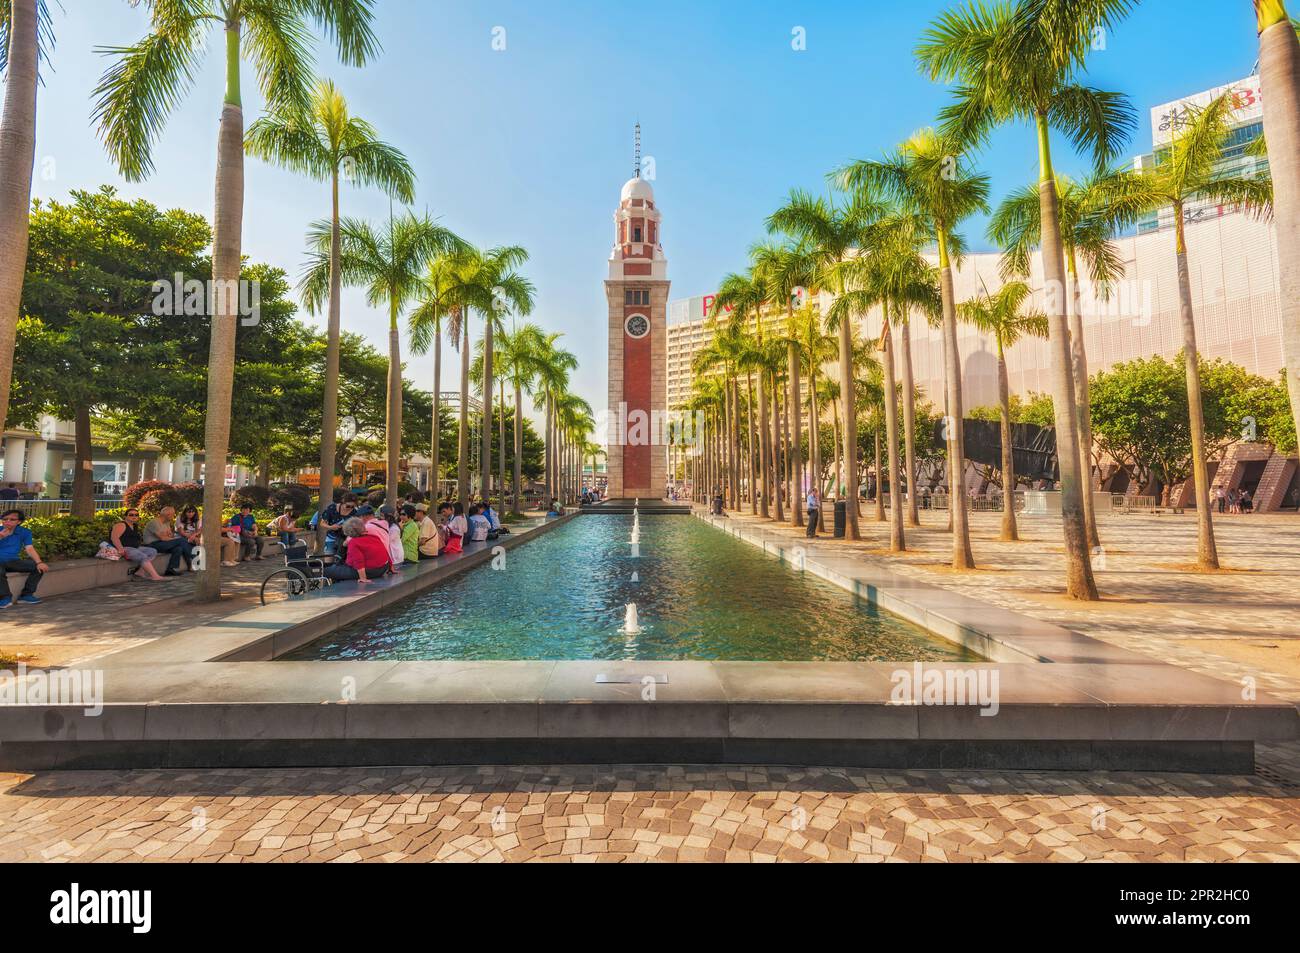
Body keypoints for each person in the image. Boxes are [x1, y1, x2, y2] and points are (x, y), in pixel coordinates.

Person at [0, 509, 49, 607]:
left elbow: (29, 548)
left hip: (12, 561)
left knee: (37, 567)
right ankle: (5, 598)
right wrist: (1, 536)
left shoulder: (24, 532)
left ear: (19, 521)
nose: (7, 521)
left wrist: (39, 562)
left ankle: (26, 595)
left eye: (12, 519)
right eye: (5, 519)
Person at [323, 517, 391, 583]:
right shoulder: (373, 537)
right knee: (336, 567)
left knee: (325, 571)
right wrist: (391, 567)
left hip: (370, 572)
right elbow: (385, 552)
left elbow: (358, 561)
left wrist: (363, 578)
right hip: (383, 568)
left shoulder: (354, 543)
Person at [110, 508, 165, 580]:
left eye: (136, 515)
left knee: (152, 551)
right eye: (131, 515)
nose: (134, 516)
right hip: (124, 548)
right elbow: (114, 537)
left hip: (134, 547)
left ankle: (140, 572)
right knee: (141, 555)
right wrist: (120, 549)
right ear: (125, 516)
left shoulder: (134, 526)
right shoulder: (121, 525)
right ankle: (155, 576)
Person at [144, 505, 196, 576]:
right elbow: (163, 538)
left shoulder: (167, 523)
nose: (173, 516)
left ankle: (171, 569)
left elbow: (170, 536)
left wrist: (170, 537)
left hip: (162, 543)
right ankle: (193, 560)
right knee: (181, 540)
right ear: (168, 514)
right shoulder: (154, 522)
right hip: (152, 544)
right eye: (173, 514)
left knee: (178, 548)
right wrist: (174, 539)